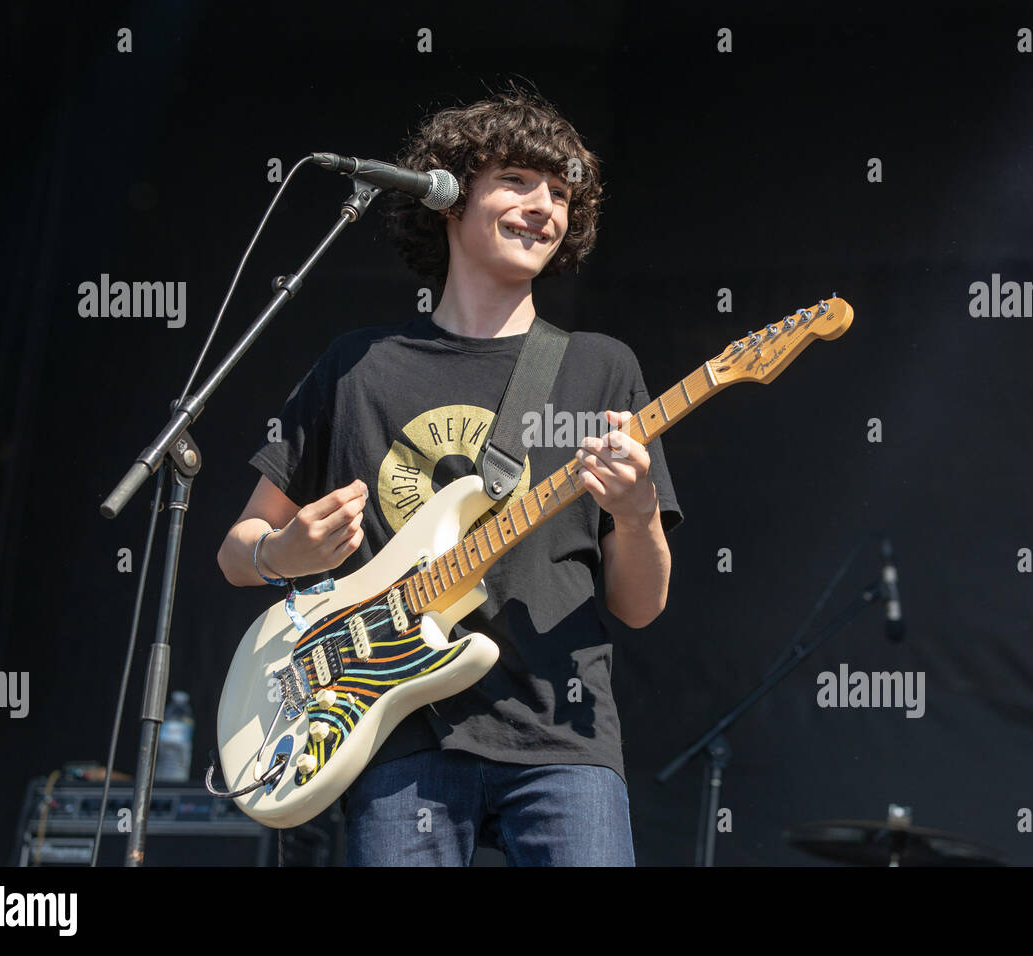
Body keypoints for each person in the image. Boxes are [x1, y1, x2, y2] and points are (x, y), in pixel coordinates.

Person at [216, 87, 683, 866]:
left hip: (561, 738)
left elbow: (640, 606)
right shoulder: (358, 368)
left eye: (562, 195)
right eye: (518, 182)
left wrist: (635, 518)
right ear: (448, 196)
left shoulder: (601, 368)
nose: (544, 208)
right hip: (394, 736)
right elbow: (237, 549)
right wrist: (283, 554)